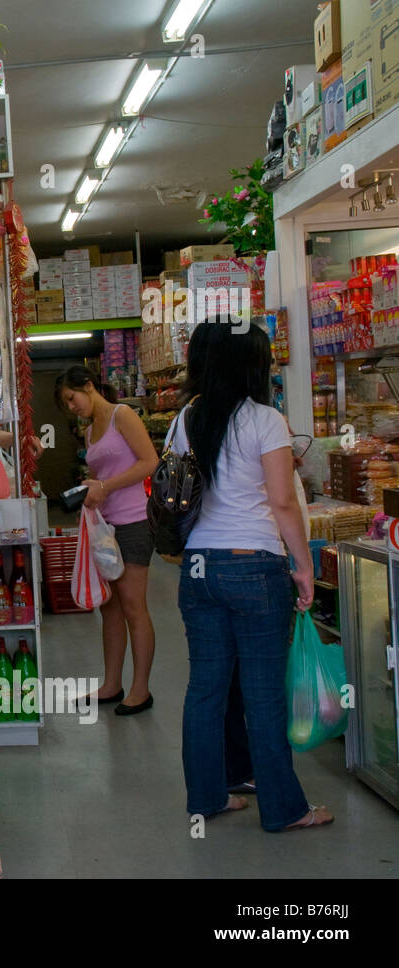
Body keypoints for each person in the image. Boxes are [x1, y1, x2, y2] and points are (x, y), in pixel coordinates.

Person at [173, 320, 331, 831]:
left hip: (197, 567)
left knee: (205, 690)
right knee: (262, 694)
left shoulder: (184, 420)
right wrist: (304, 567)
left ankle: (208, 797)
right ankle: (285, 809)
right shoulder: (265, 420)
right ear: (251, 366)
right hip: (254, 567)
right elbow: (283, 502)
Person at [54, 364, 158, 715]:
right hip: (104, 527)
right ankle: (112, 683)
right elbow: (98, 478)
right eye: (66, 404)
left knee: (132, 605)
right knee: (109, 606)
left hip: (134, 522)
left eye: (72, 398)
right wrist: (88, 489)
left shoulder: (121, 415)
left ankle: (141, 690)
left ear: (87, 385)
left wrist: (107, 486)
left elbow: (150, 462)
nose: (72, 407)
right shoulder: (89, 433)